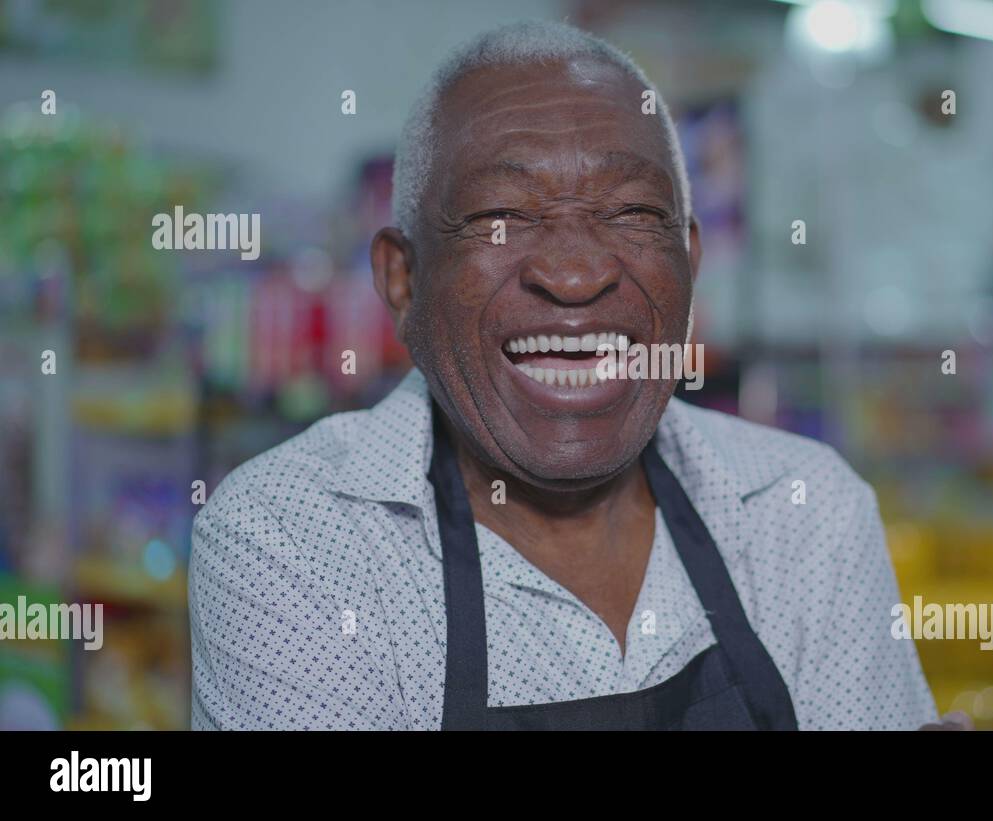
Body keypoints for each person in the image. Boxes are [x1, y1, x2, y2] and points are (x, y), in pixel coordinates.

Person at [189, 20, 942, 730]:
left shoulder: (804, 512)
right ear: (403, 279)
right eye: (500, 217)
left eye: (631, 214)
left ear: (691, 263)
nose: (576, 274)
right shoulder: (292, 537)